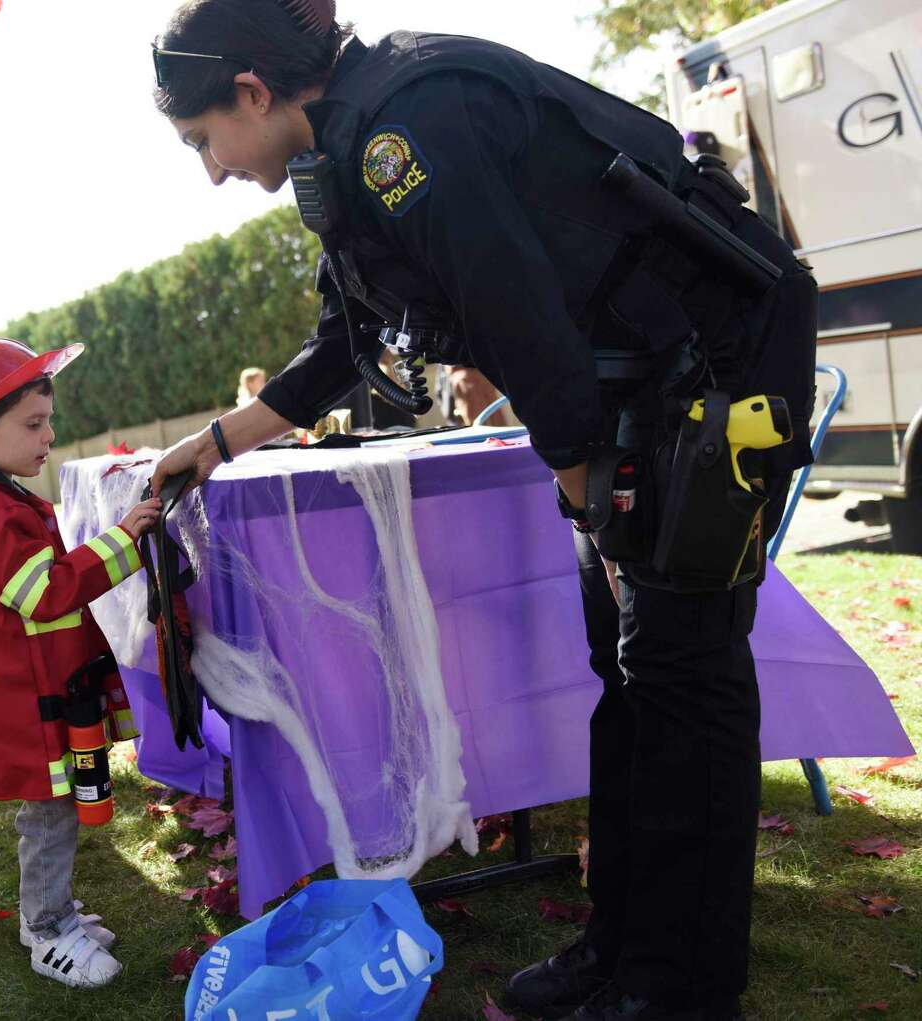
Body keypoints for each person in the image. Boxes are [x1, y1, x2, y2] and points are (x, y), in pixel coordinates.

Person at [148, 2, 817, 1019]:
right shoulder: (348, 149)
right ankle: (623, 944)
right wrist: (217, 443)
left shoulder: (406, 126)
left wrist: (589, 484)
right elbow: (346, 341)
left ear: (249, 90)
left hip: (710, 376)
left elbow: (514, 307)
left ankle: (681, 984)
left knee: (683, 682)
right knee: (628, 676)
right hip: (632, 392)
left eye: (204, 140)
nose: (212, 168)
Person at [0, 338, 162, 989]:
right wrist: (124, 539)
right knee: (50, 815)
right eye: (32, 424)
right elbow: (46, 591)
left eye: (47, 419)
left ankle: (44, 912)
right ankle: (49, 930)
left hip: (30, 695)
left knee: (53, 812)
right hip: (22, 706)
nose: (49, 434)